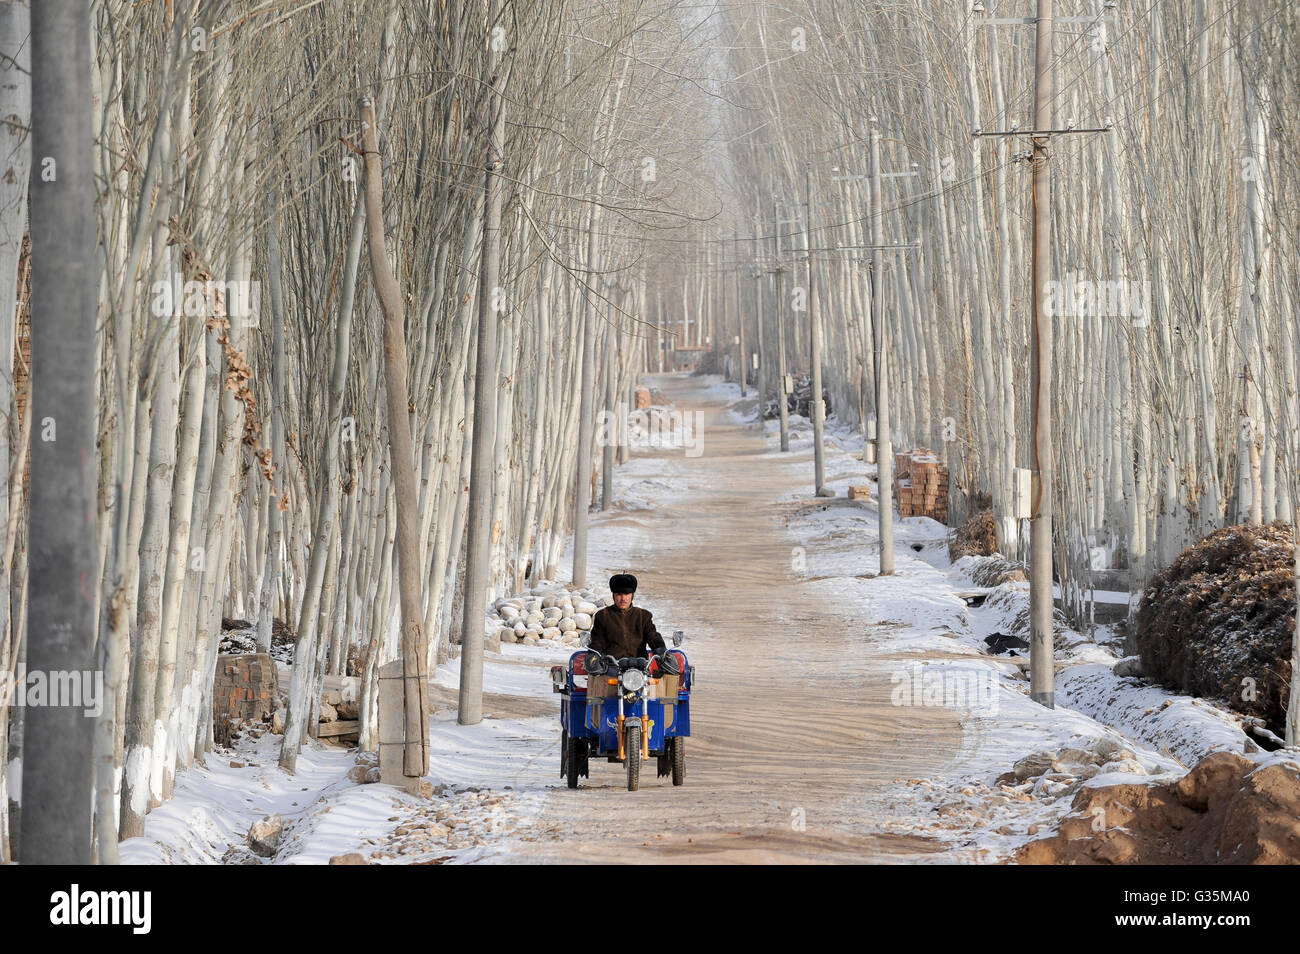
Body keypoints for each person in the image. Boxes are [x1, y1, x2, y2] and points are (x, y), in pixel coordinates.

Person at [588, 572, 665, 660]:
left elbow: (653, 637)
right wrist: (594, 656)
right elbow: (597, 641)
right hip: (611, 666)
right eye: (619, 594)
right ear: (613, 595)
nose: (623, 599)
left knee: (671, 673)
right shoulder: (603, 616)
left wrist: (661, 650)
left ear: (632, 595)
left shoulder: (643, 616)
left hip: (639, 666)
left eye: (627, 594)